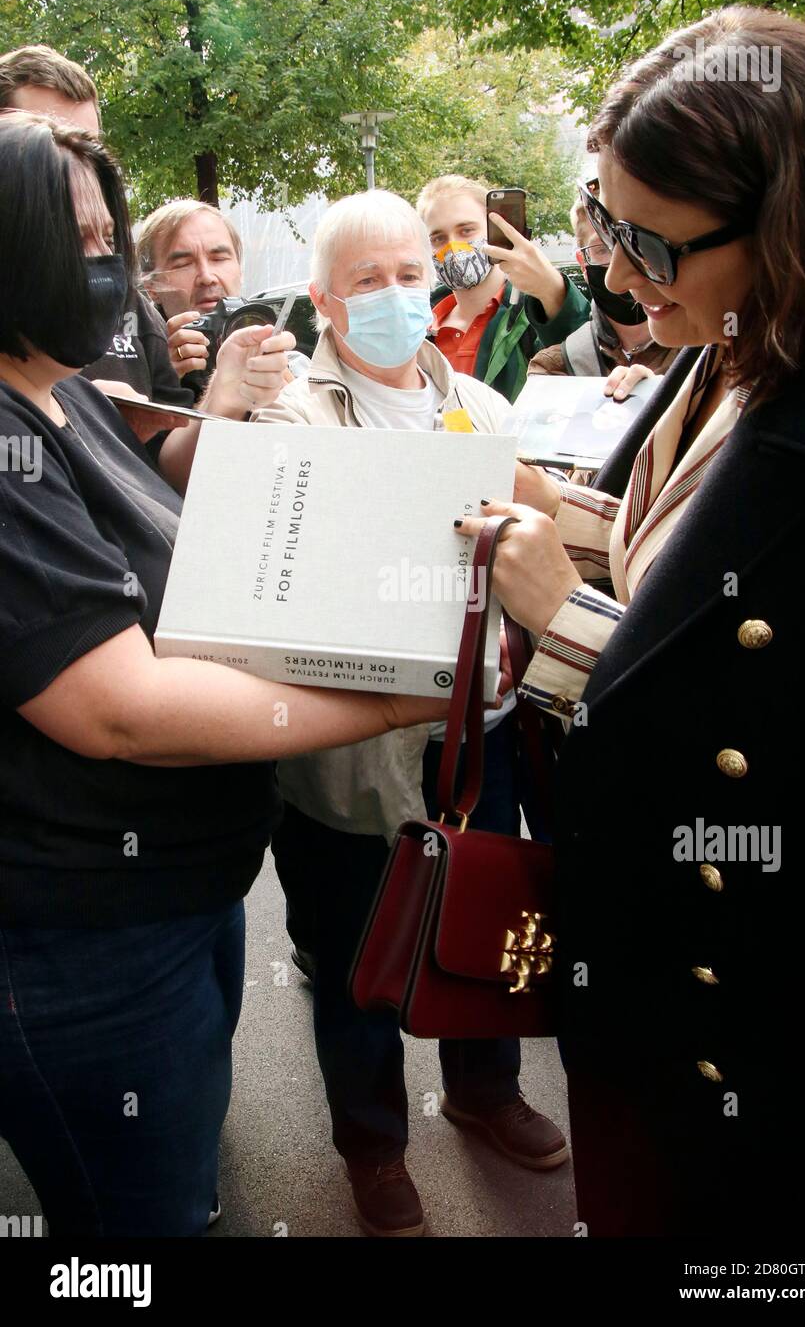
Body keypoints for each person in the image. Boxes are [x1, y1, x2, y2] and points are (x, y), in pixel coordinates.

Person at [455, 5, 805, 1236]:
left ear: (784, 226)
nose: (619, 276)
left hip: (754, 997)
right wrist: (552, 511)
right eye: (604, 224)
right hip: (636, 952)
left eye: (653, 243)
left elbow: (778, 740)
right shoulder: (723, 343)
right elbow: (683, 569)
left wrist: (562, 621)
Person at [0, 113, 443, 1238]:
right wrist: (394, 694)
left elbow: (171, 486)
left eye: (111, 238)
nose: (111, 274)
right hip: (84, 936)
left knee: (175, 1180)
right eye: (81, 242)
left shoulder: (57, 392)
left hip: (173, 894)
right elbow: (125, 711)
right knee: (136, 1222)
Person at [252, 189, 568, 1237]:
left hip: (479, 725)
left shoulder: (479, 403)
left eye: (408, 274)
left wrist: (532, 499)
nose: (395, 295)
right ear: (323, 303)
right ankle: (374, 1145)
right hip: (353, 746)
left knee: (487, 910)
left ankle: (485, 1087)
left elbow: (542, 535)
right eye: (366, 281)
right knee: (352, 954)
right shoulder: (289, 420)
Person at [0, 44, 195, 446]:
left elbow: (169, 447)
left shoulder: (124, 294)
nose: (75, 160)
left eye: (87, 142)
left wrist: (230, 396)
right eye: (45, 136)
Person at [416, 174, 590, 402]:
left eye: (466, 231)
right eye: (438, 238)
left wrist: (552, 289)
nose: (452, 247)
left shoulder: (535, 316)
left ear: (495, 231)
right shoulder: (418, 328)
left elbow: (585, 361)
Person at [529, 191, 679, 383]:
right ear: (583, 263)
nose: (619, 265)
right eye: (603, 249)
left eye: (634, 243)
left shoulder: (706, 355)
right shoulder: (554, 367)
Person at [137, 198, 245, 399]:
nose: (206, 277)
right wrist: (164, 382)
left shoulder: (284, 358)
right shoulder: (134, 369)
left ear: (240, 269)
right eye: (184, 264)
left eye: (219, 259)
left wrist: (287, 395)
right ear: (151, 286)